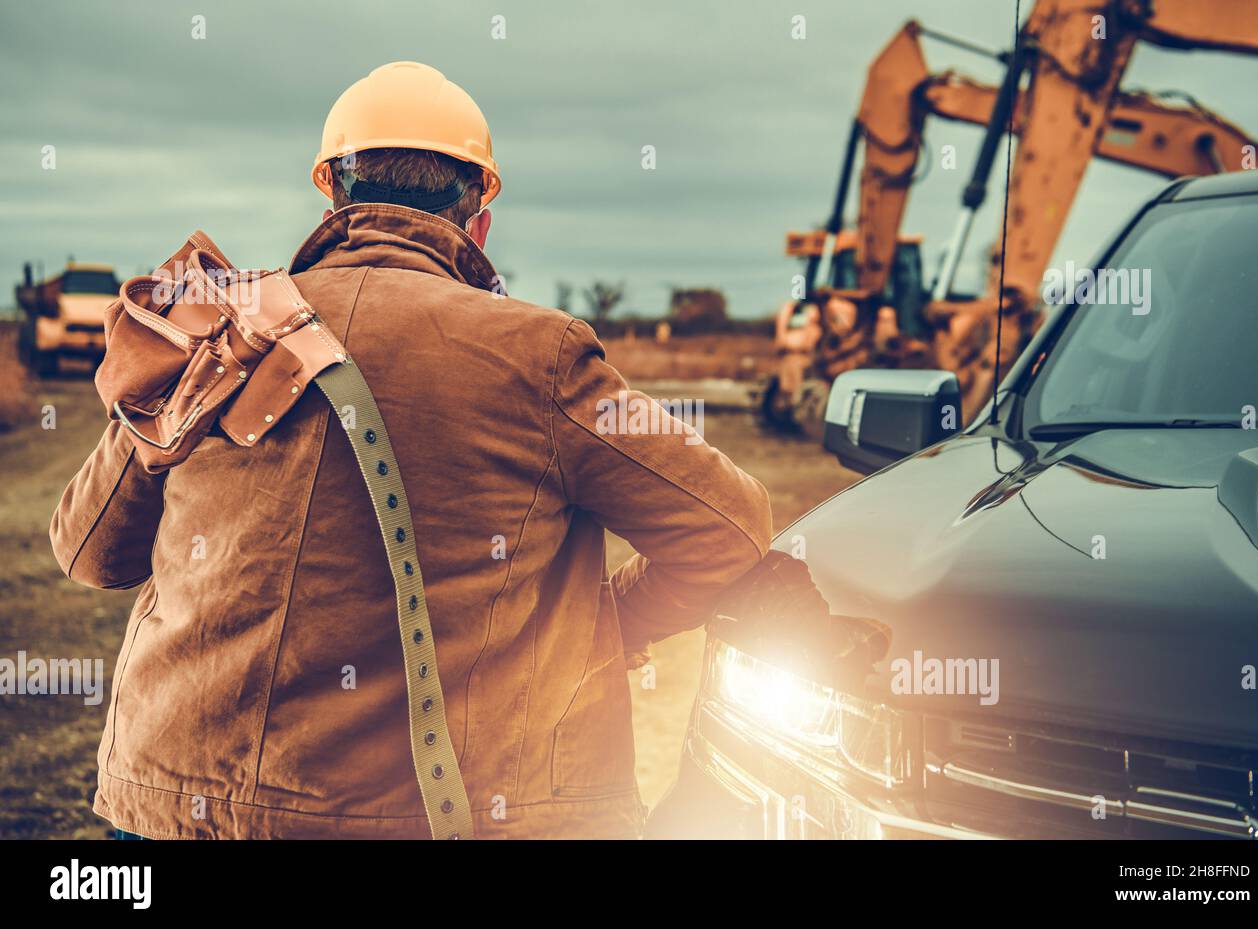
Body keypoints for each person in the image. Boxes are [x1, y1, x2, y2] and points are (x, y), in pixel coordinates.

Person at [50, 61, 771, 839]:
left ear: (332, 196)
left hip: (173, 803)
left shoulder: (223, 328)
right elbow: (729, 527)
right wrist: (608, 623)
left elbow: (90, 553)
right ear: (479, 217)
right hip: (421, 815)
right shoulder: (541, 353)